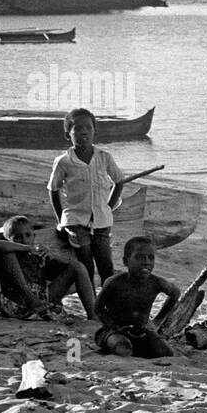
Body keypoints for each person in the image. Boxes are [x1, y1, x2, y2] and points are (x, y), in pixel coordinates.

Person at [48, 108, 126, 288]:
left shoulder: (104, 158)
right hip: (76, 220)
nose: (84, 132)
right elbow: (53, 190)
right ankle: (91, 305)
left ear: (95, 132)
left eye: (88, 128)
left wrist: (109, 206)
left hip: (101, 221)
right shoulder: (64, 161)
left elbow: (119, 181)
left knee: (106, 265)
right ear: (69, 134)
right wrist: (61, 220)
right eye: (78, 129)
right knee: (86, 265)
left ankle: (106, 304)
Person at [0, 215, 96, 320]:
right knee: (8, 254)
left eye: (28, 235)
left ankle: (93, 315)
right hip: (15, 302)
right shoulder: (7, 255)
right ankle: (31, 300)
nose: (24, 240)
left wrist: (52, 256)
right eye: (18, 237)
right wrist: (27, 248)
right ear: (8, 239)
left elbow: (70, 267)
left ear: (34, 236)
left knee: (78, 267)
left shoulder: (37, 255)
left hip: (42, 303)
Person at [93, 236, 180, 358]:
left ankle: (139, 349)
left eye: (151, 258)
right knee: (123, 348)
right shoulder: (114, 282)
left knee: (166, 353)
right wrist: (114, 326)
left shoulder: (156, 282)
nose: (146, 262)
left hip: (142, 332)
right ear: (125, 261)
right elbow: (98, 309)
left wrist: (157, 321)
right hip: (114, 332)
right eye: (139, 257)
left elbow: (175, 293)